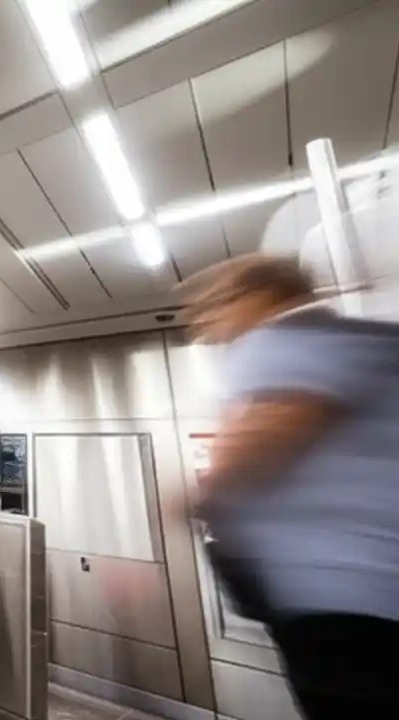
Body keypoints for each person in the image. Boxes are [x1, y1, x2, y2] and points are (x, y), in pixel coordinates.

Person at [180, 254, 399, 718]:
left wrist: (190, 498)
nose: (206, 326)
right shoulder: (370, 342)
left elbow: (266, 435)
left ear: (259, 296)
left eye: (216, 307)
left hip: (347, 606)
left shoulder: (282, 340)